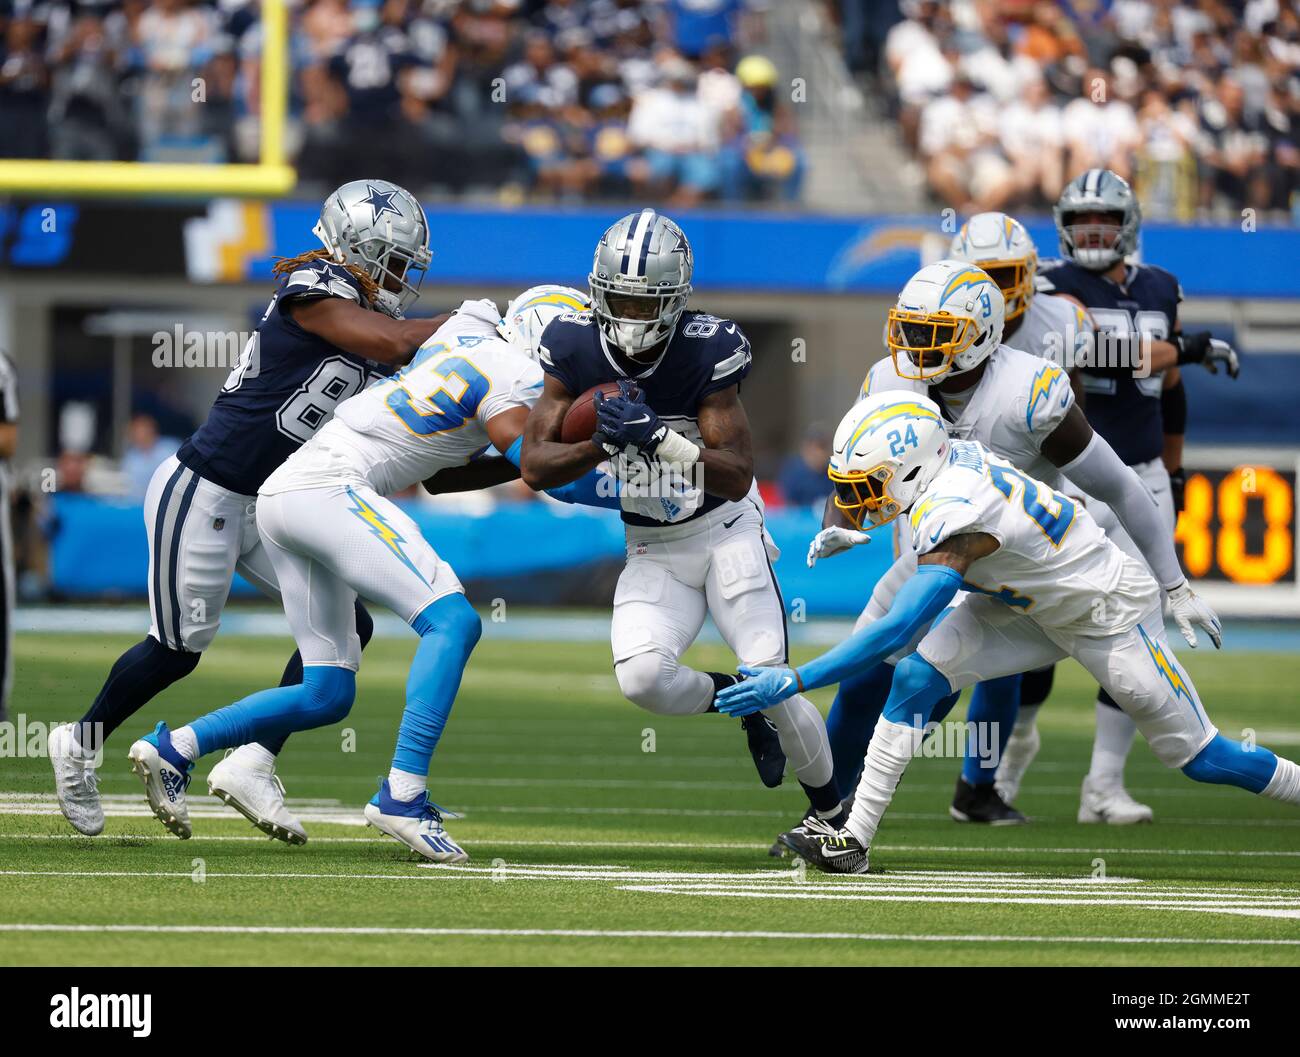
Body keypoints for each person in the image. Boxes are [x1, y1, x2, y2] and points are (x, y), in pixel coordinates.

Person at [125, 286, 633, 861]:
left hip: (283, 493)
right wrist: (613, 457)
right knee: (454, 624)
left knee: (326, 693)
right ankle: (403, 796)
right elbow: (541, 473)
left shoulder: (466, 341)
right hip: (328, 487)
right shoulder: (515, 373)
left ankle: (176, 748)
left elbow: (444, 477)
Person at [720, 391, 1298, 875]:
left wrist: (797, 679)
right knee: (920, 674)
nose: (855, 501)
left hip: (1105, 613)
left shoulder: (954, 511)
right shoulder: (944, 468)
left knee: (1200, 756)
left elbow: (898, 625)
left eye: (869, 484)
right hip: (1028, 604)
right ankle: (854, 841)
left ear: (913, 470)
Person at [48, 179, 443, 841]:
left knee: (348, 625)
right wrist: (463, 331)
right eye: (393, 260)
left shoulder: (366, 312)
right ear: (353, 248)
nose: (401, 276)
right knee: (178, 649)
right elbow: (393, 341)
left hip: (267, 502)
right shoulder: (315, 285)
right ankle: (78, 740)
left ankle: (252, 762)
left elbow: (398, 367)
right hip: (204, 488)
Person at [521, 209, 843, 826]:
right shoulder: (572, 345)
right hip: (651, 546)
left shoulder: (706, 349)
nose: (632, 317)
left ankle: (832, 817)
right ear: (597, 290)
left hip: (726, 533)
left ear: (676, 301)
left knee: (771, 678)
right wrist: (600, 445)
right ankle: (734, 700)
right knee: (643, 678)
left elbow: (738, 472)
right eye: (620, 300)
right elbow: (536, 464)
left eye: (648, 305)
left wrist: (659, 438)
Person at [1029, 168, 1240, 822]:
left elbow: (1168, 389)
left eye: (1105, 221)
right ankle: (994, 774)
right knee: (1027, 623)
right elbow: (1093, 351)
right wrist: (1187, 346)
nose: (1093, 232)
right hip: (1073, 475)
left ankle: (1103, 787)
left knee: (1143, 628)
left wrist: (1171, 474)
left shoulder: (1160, 286)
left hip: (1142, 471)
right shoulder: (1049, 287)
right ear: (1065, 227)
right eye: (1082, 221)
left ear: (1128, 226)